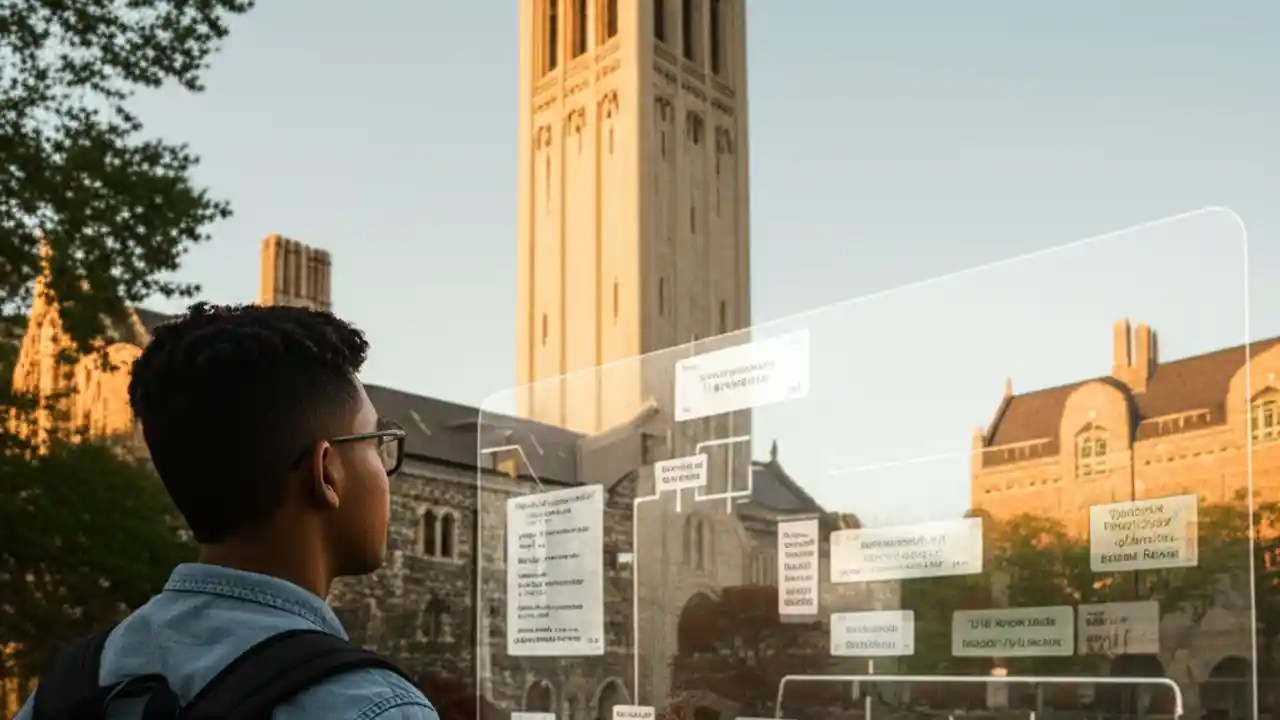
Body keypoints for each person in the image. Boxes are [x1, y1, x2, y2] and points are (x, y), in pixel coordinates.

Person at [16, 302, 438, 719]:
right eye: (376, 441)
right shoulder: (371, 706)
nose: (385, 469)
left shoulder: (69, 687)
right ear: (326, 472)